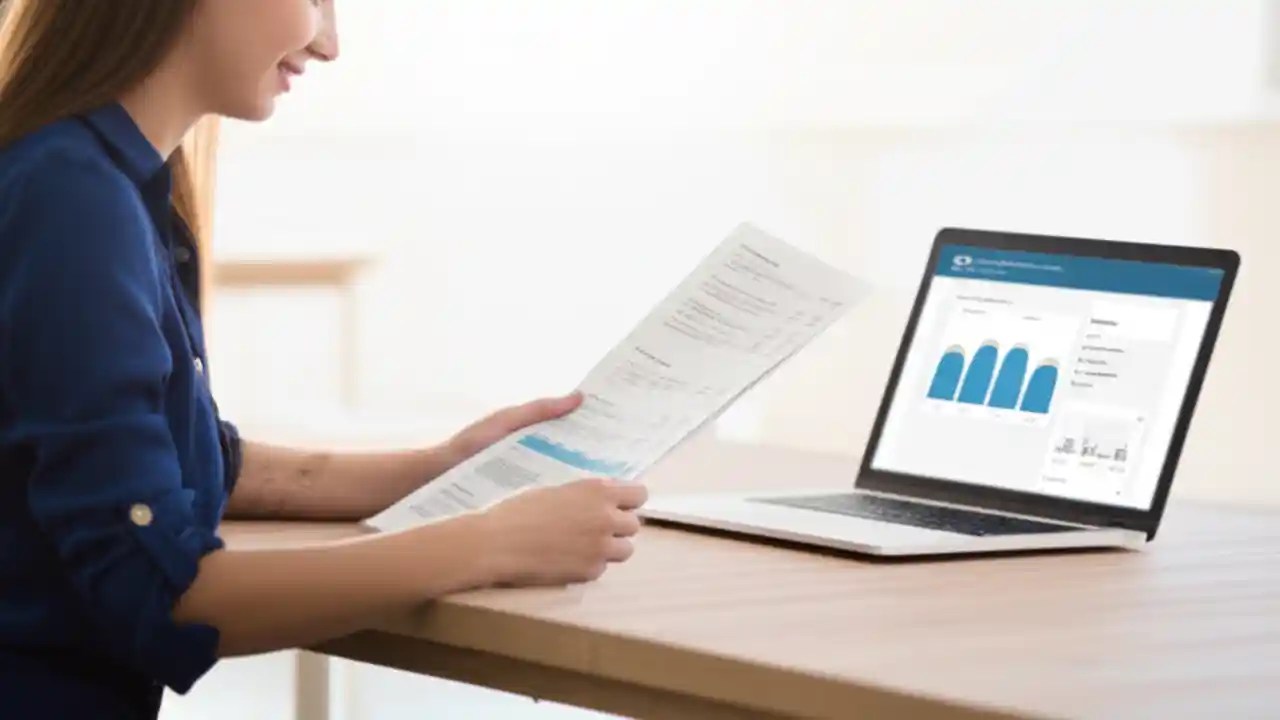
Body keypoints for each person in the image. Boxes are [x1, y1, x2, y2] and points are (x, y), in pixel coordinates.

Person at [0, 1, 648, 717]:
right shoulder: (74, 204)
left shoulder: (95, 181)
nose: (330, 42)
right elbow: (160, 593)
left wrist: (438, 468)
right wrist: (491, 545)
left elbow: (186, 459)